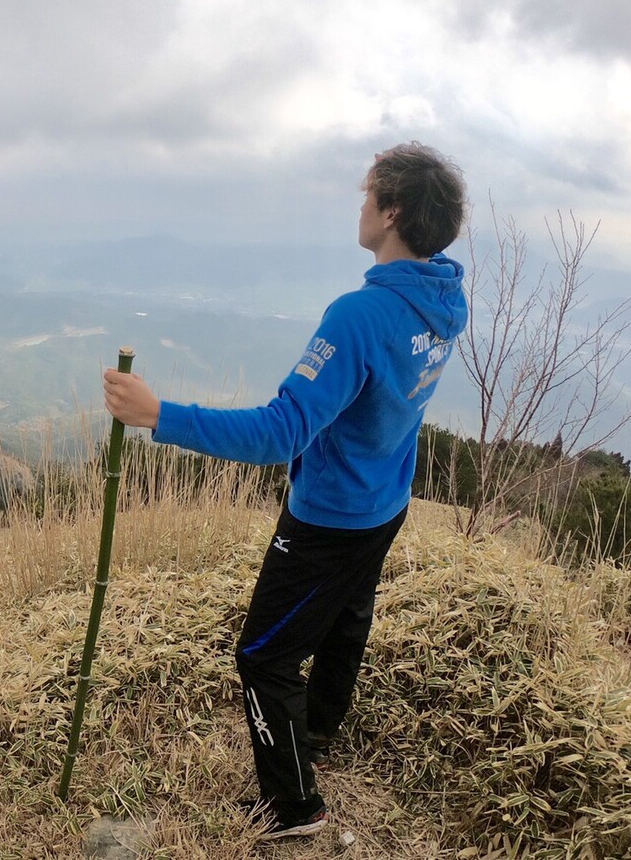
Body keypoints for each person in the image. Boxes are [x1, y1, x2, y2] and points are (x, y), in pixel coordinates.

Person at [103, 143, 468, 841]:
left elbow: (279, 433)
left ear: (391, 210)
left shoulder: (360, 316)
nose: (358, 205)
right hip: (385, 500)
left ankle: (293, 807)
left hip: (329, 518)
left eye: (367, 195)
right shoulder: (442, 300)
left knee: (262, 655)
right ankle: (319, 728)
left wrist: (158, 414)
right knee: (344, 617)